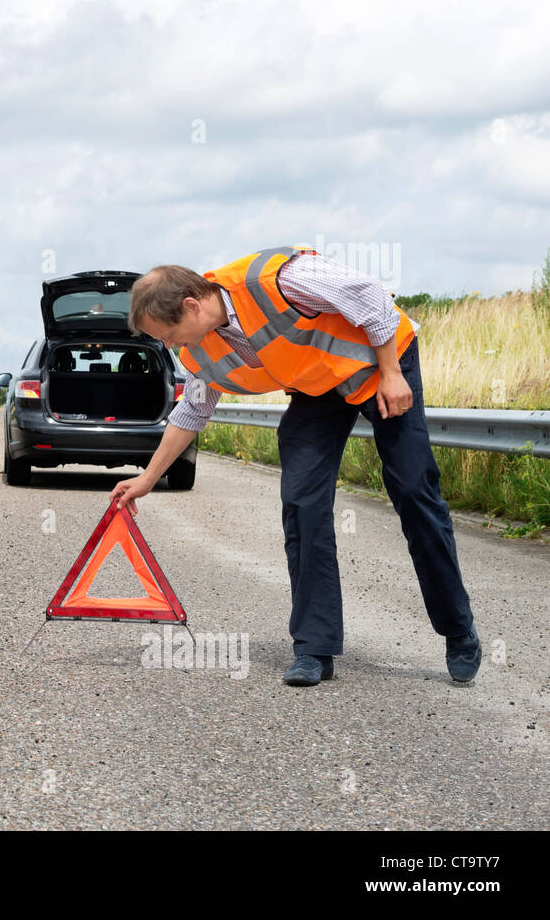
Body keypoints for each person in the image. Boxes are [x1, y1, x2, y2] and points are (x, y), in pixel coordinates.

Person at [110, 245, 480, 687]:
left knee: (413, 489)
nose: (168, 346)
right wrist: (149, 478)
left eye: (168, 334)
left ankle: (458, 630)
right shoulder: (200, 349)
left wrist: (392, 373)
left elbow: (370, 297)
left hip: (381, 364)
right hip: (317, 387)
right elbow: (193, 411)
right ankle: (313, 648)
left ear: (191, 304)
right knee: (302, 502)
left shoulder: (278, 279)